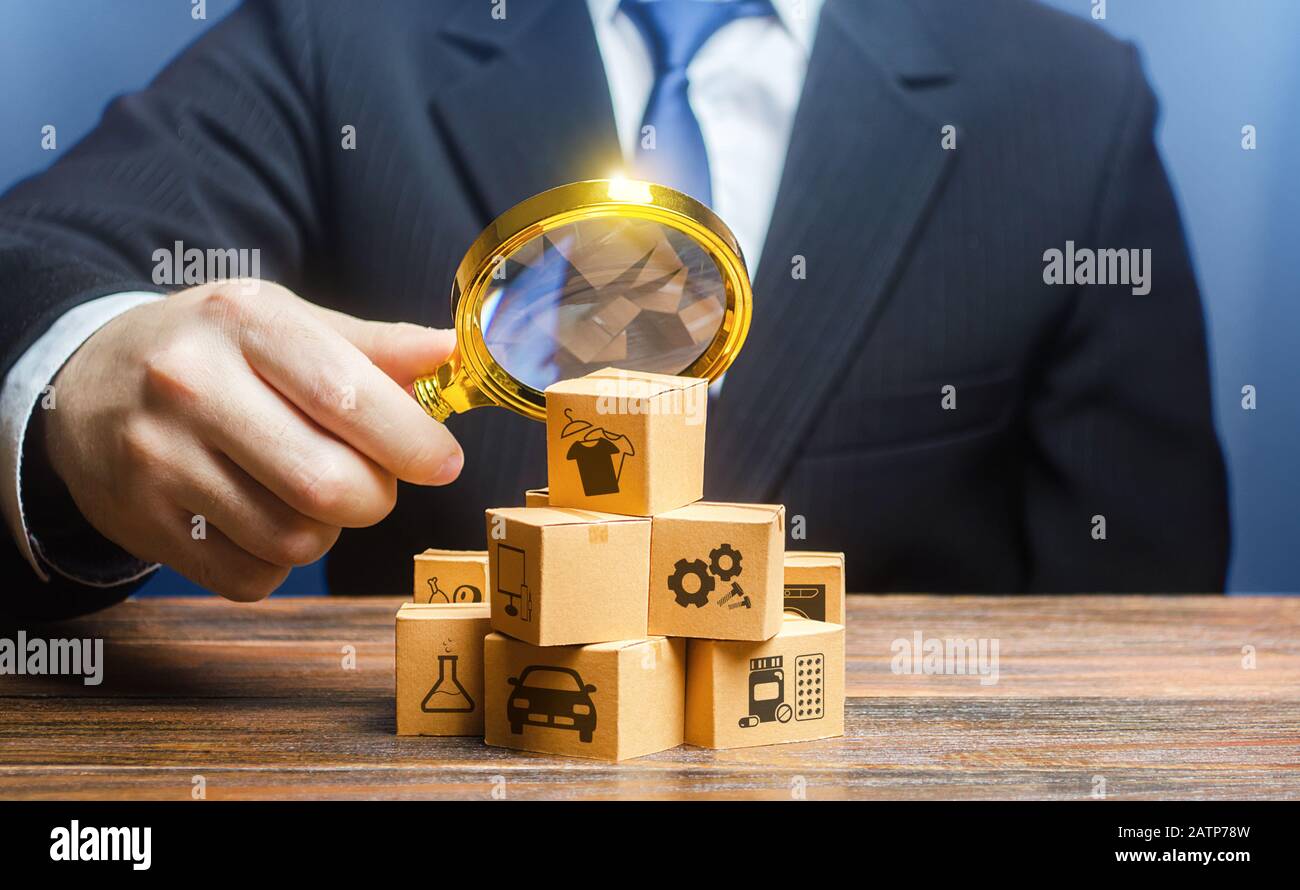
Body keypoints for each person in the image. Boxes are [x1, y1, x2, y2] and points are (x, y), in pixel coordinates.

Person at [0, 0, 1229, 618]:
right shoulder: (339, 32)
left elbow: (1151, 605)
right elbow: (38, 255)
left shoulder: (1070, 100)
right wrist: (84, 382)